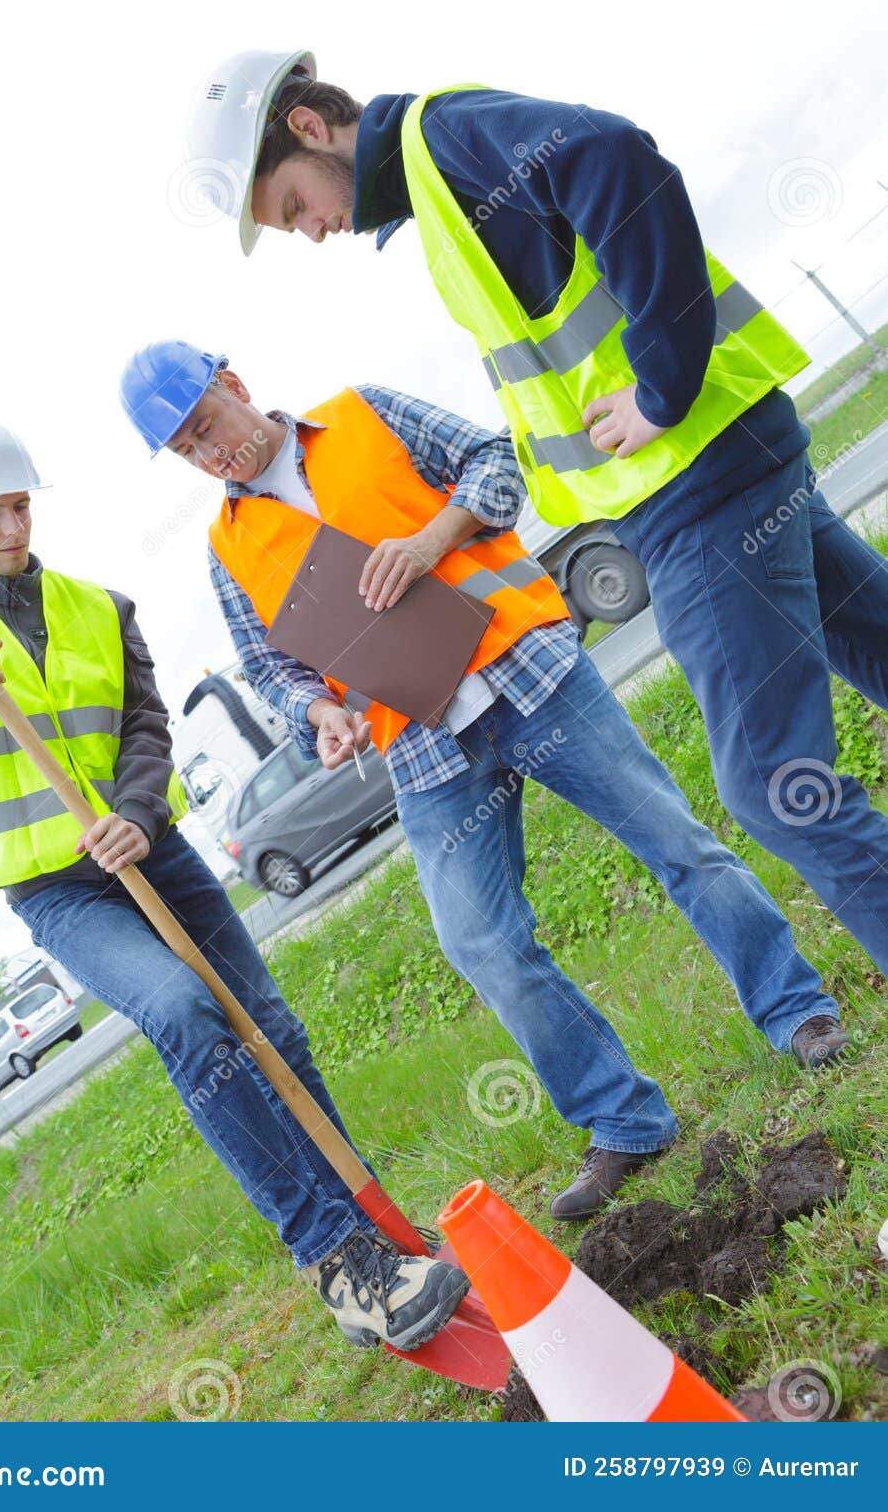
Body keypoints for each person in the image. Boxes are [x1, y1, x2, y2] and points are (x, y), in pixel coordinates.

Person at [188, 48, 888, 977]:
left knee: (767, 786)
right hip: (716, 463)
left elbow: (617, 159)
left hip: (693, 484)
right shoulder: (438, 190)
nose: (312, 232)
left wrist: (661, 387)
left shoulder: (445, 138)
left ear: (308, 130)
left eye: (292, 208)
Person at [119, 341, 849, 1222]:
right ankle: (622, 1119)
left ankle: (794, 1011)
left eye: (206, 428)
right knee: (480, 944)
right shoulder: (228, 548)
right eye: (187, 452)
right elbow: (273, 667)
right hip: (424, 748)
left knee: (676, 845)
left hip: (527, 674)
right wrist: (319, 712)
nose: (209, 455)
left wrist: (432, 539)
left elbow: (497, 460)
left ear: (234, 386)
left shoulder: (363, 412)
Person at [0, 415, 468, 1352]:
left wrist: (139, 811)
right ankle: (334, 1255)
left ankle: (375, 1228)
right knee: (182, 1013)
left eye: (19, 507)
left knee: (271, 1027)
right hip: (58, 892)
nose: (10, 528)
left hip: (149, 854)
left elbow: (146, 731)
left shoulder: (101, 606)